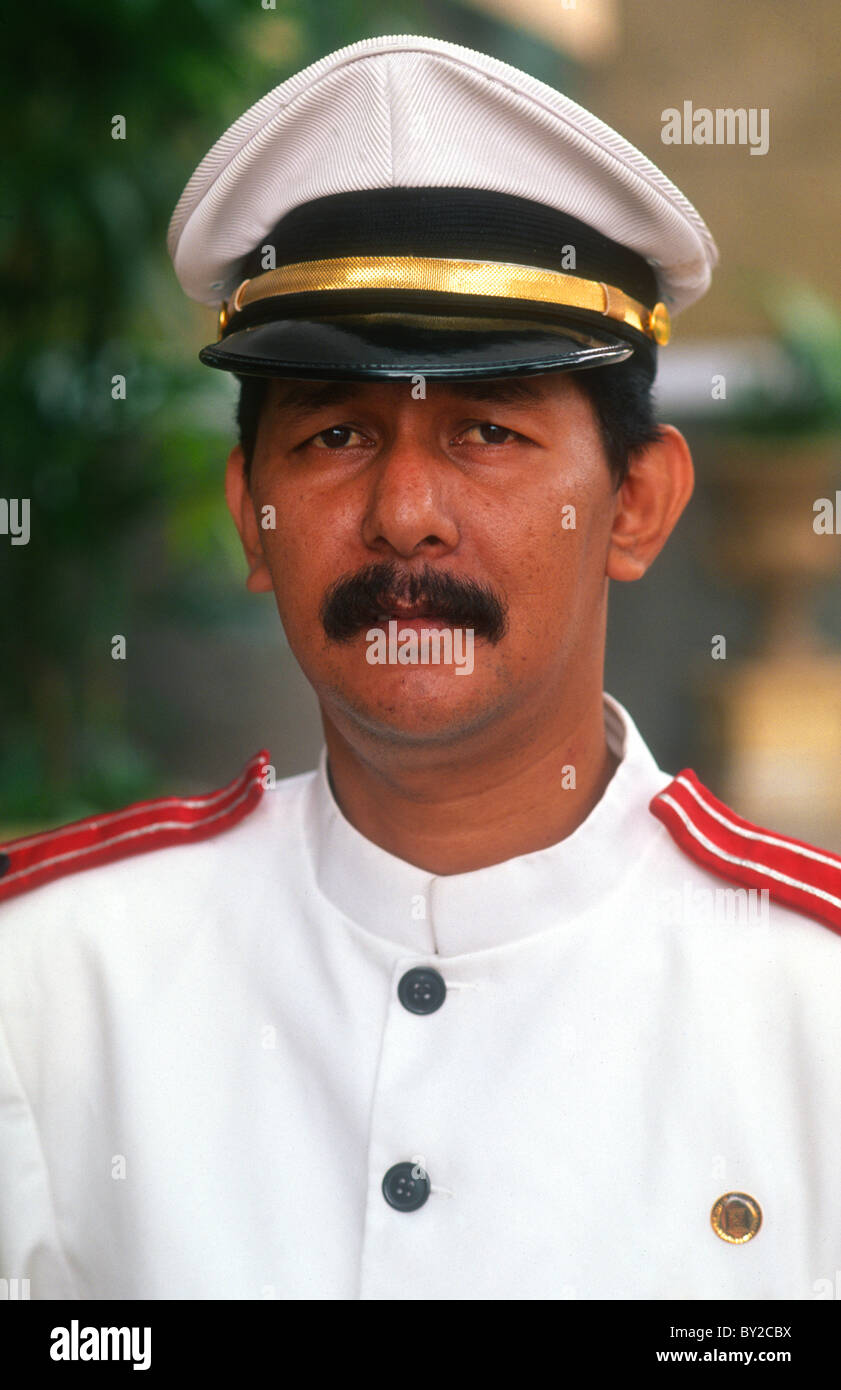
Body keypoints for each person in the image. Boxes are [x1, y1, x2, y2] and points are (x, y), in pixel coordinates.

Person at [2, 35, 840, 1302]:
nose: (403, 513)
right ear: (251, 512)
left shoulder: (806, 1006)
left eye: (487, 431)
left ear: (635, 504)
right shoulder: (55, 983)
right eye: (335, 432)